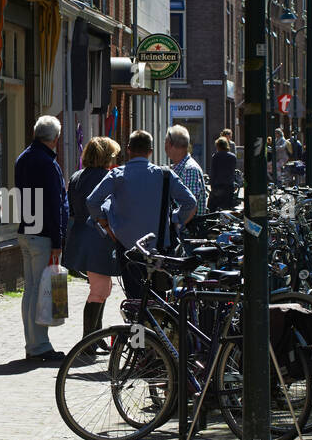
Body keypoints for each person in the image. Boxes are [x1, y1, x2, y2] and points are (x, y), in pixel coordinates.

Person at [87, 130, 197, 299]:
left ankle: (136, 325)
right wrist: (175, 221)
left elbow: (92, 201)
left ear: (128, 149)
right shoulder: (165, 174)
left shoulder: (117, 175)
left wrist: (105, 225)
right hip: (159, 249)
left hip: (128, 249)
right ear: (150, 151)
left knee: (134, 299)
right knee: (159, 300)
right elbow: (190, 202)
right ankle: (155, 324)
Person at [15, 116, 69, 362]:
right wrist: (58, 242)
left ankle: (32, 343)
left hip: (26, 231)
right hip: (43, 235)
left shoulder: (22, 159)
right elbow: (54, 205)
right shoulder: (48, 164)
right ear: (55, 138)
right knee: (40, 291)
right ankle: (39, 347)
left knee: (31, 290)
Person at [62, 137, 121, 348]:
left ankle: (96, 336)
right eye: (112, 155)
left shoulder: (77, 176)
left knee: (102, 287)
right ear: (106, 156)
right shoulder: (108, 177)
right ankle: (88, 342)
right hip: (98, 238)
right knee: (100, 289)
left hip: (79, 237)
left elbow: (71, 208)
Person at [165, 126, 208, 215]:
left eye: (165, 142)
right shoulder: (179, 167)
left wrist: (175, 226)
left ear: (170, 145)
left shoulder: (189, 170)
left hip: (185, 228)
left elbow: (189, 208)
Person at [207, 136, 239, 211]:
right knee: (227, 209)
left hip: (218, 186)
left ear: (218, 146)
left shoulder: (216, 156)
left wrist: (212, 185)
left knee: (212, 209)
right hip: (229, 186)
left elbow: (213, 172)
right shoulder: (233, 157)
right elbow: (233, 171)